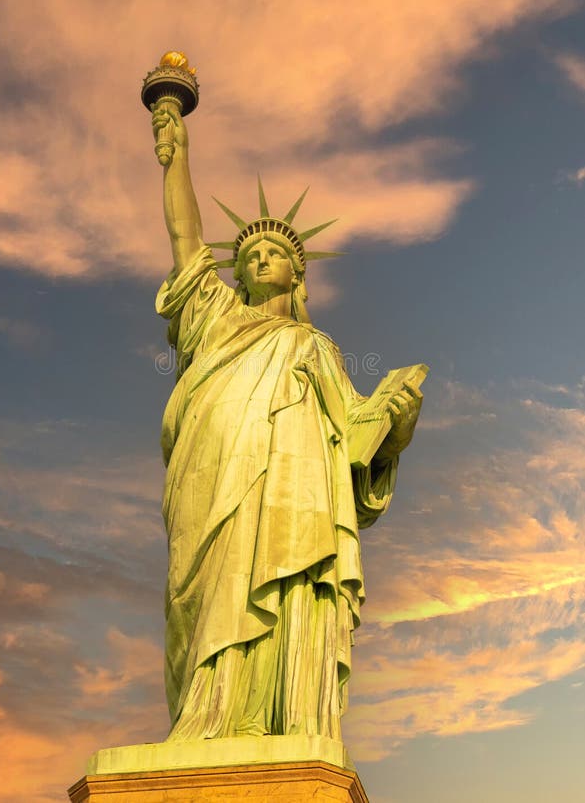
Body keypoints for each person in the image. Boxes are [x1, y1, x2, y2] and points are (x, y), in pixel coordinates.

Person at [151, 98, 423, 742]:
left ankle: (282, 716)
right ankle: (209, 715)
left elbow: (357, 439)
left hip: (293, 501)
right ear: (236, 273)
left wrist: (396, 425)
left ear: (297, 272)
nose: (259, 259)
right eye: (249, 254)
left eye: (274, 252)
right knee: (209, 594)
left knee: (294, 579)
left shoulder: (319, 349)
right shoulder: (216, 322)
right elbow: (185, 240)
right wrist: (177, 157)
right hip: (213, 484)